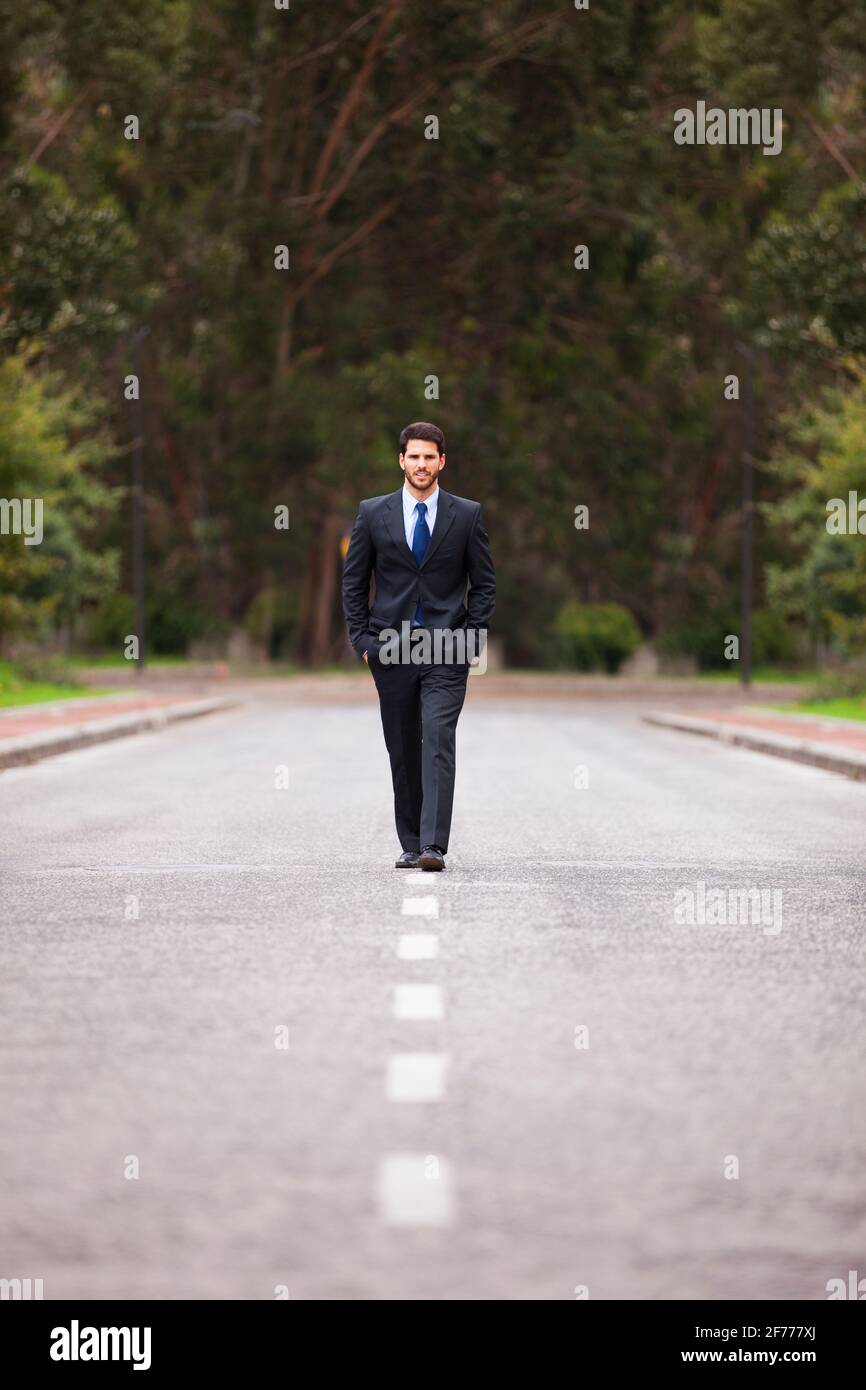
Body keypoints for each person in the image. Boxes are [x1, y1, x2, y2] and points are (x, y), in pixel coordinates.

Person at [341, 421, 496, 870]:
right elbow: (354, 581)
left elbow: (484, 583)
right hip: (390, 647)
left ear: (442, 461)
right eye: (414, 456)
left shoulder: (466, 515)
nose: (422, 464)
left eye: (430, 456)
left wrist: (471, 638)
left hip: (447, 648)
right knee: (403, 746)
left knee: (438, 739)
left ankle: (433, 846)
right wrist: (363, 640)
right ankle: (410, 842)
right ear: (402, 460)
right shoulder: (373, 513)